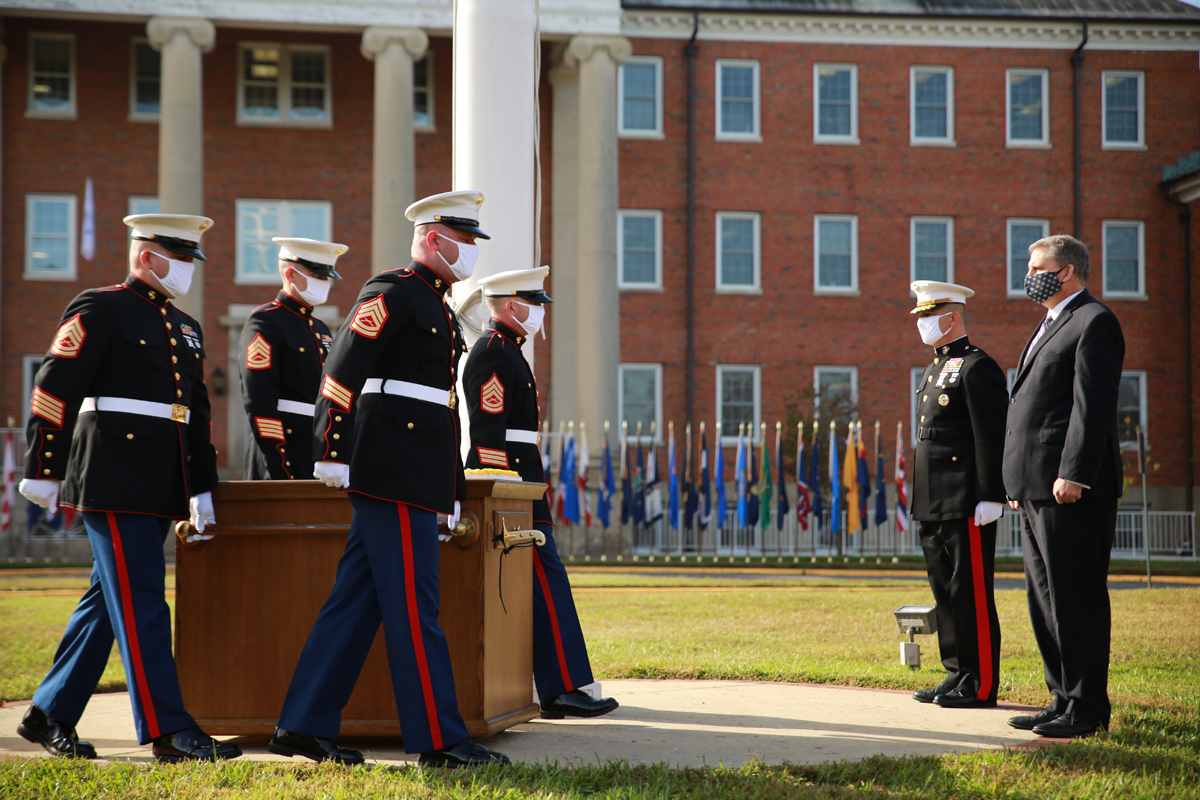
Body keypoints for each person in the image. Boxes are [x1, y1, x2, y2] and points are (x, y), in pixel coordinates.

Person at [270, 191, 508, 768]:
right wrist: (331, 450)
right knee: (414, 608)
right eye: (465, 241)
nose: (471, 252)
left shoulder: (438, 306)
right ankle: (439, 740)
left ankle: (302, 724)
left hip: (414, 475)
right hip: (388, 472)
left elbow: (444, 408)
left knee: (356, 602)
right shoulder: (392, 291)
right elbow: (341, 370)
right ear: (432, 238)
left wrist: (449, 489)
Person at [16, 214, 241, 763]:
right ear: (146, 255)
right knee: (142, 601)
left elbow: (196, 413)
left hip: (157, 478)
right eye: (179, 256)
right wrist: (44, 464)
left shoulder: (186, 326)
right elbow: (53, 386)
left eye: (192, 258)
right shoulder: (100, 307)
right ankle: (170, 729)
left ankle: (49, 713)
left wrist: (202, 486)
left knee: (104, 602)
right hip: (112, 475)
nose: (188, 269)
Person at [462, 267, 619, 720]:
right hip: (515, 489)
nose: (539, 313)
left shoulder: (508, 351)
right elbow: (490, 438)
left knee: (544, 585)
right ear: (511, 306)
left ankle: (560, 686)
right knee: (548, 584)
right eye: (533, 303)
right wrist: (511, 496)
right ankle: (563, 687)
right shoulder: (493, 352)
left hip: (524, 483)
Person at [1003, 234, 1125, 738]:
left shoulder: (1094, 321)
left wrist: (1073, 471)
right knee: (1045, 596)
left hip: (1069, 486)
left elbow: (1089, 405)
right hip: (1035, 484)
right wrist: (1016, 478)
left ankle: (1088, 707)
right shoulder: (1050, 322)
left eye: (1037, 265)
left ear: (1067, 271)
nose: (1028, 273)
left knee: (1076, 596)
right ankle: (1061, 698)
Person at [907, 281, 1007, 709]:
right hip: (933, 498)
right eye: (920, 317)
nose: (922, 324)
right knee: (944, 589)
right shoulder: (934, 369)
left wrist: (992, 495)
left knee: (970, 591)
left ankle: (980, 683)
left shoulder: (977, 366)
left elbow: (991, 435)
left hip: (967, 499)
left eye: (929, 316)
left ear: (952, 317)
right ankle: (957, 672)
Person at [238, 238, 343, 479]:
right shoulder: (265, 321)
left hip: (316, 451)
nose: (324, 283)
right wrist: (278, 459)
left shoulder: (321, 329)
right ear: (291, 274)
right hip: (281, 453)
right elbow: (259, 399)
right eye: (317, 275)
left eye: (326, 277)